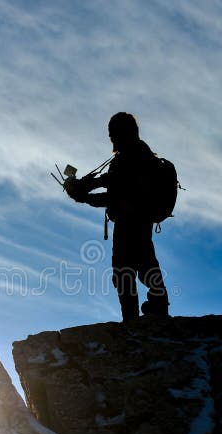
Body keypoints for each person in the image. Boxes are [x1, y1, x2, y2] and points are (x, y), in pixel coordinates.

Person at [65, 112, 169, 321]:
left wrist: (83, 189)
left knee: (128, 270)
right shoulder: (140, 154)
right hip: (135, 219)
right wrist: (85, 196)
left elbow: (113, 184)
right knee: (139, 266)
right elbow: (113, 195)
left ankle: (138, 317)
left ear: (124, 132)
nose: (112, 138)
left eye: (114, 133)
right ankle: (152, 310)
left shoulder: (133, 155)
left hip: (132, 220)